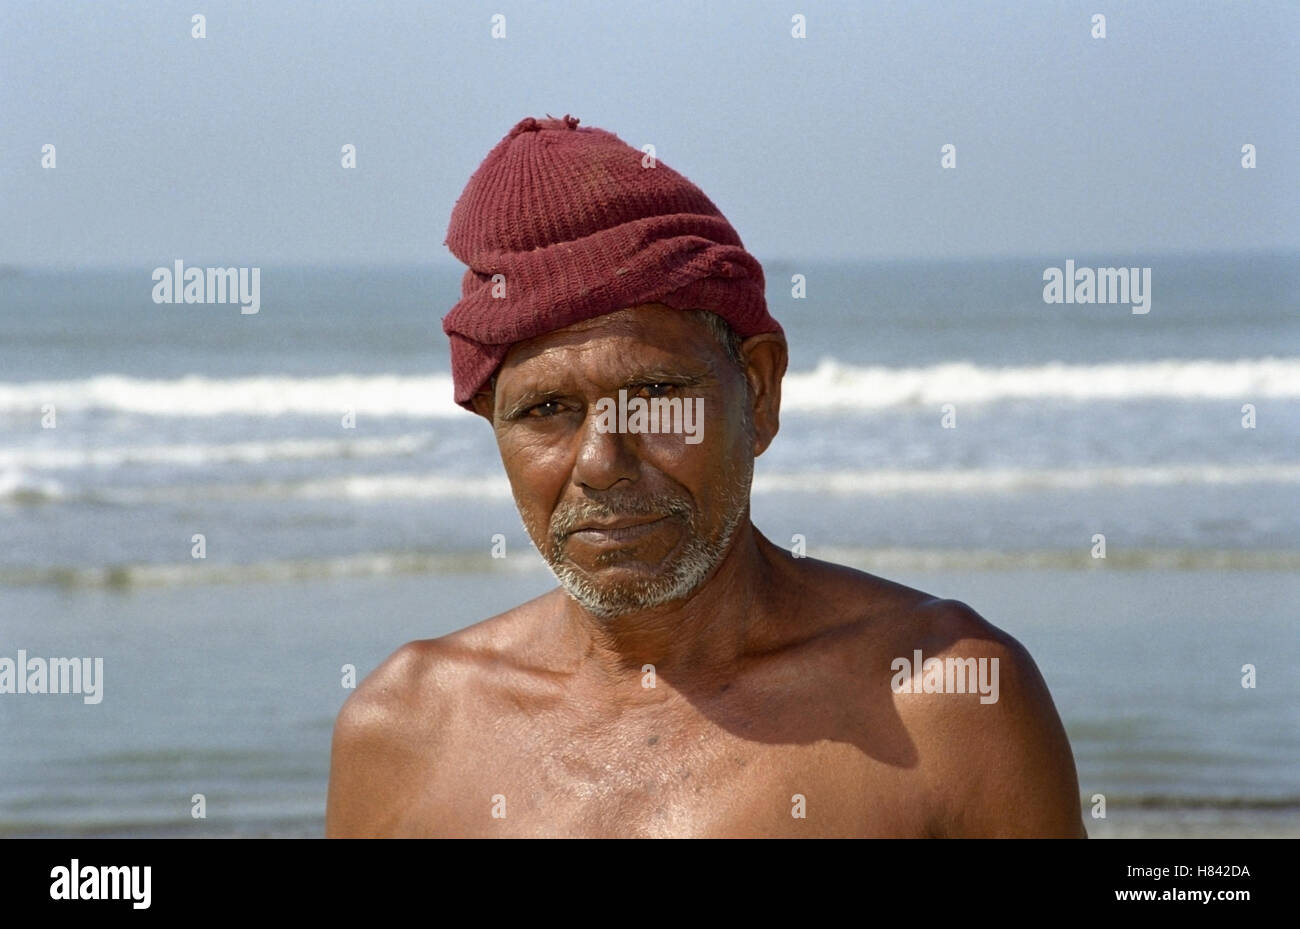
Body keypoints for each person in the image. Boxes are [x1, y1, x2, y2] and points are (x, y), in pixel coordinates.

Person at [325, 115, 1086, 838]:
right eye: (547, 408)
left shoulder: (948, 702)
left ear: (757, 392)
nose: (601, 462)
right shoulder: (405, 729)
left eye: (655, 395)